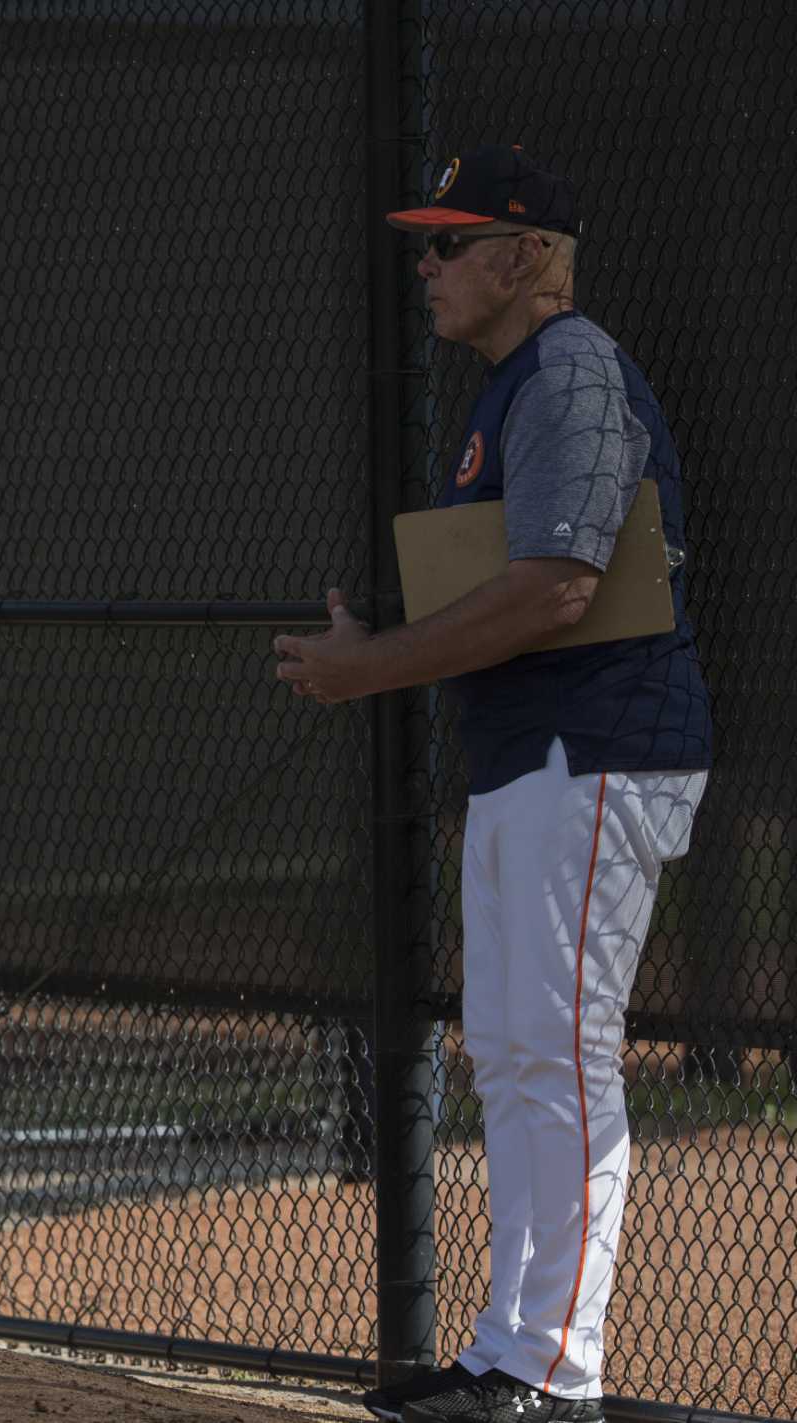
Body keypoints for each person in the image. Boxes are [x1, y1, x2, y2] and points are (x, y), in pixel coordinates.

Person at [276, 146, 711, 1423]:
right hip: (537, 754)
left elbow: (557, 586)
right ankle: (507, 1350)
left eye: (450, 243)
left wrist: (370, 671)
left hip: (596, 748)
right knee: (515, 1051)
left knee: (557, 1055)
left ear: (528, 259)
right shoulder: (512, 385)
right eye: (427, 243)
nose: (425, 265)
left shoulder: (567, 370)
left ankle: (553, 1372)